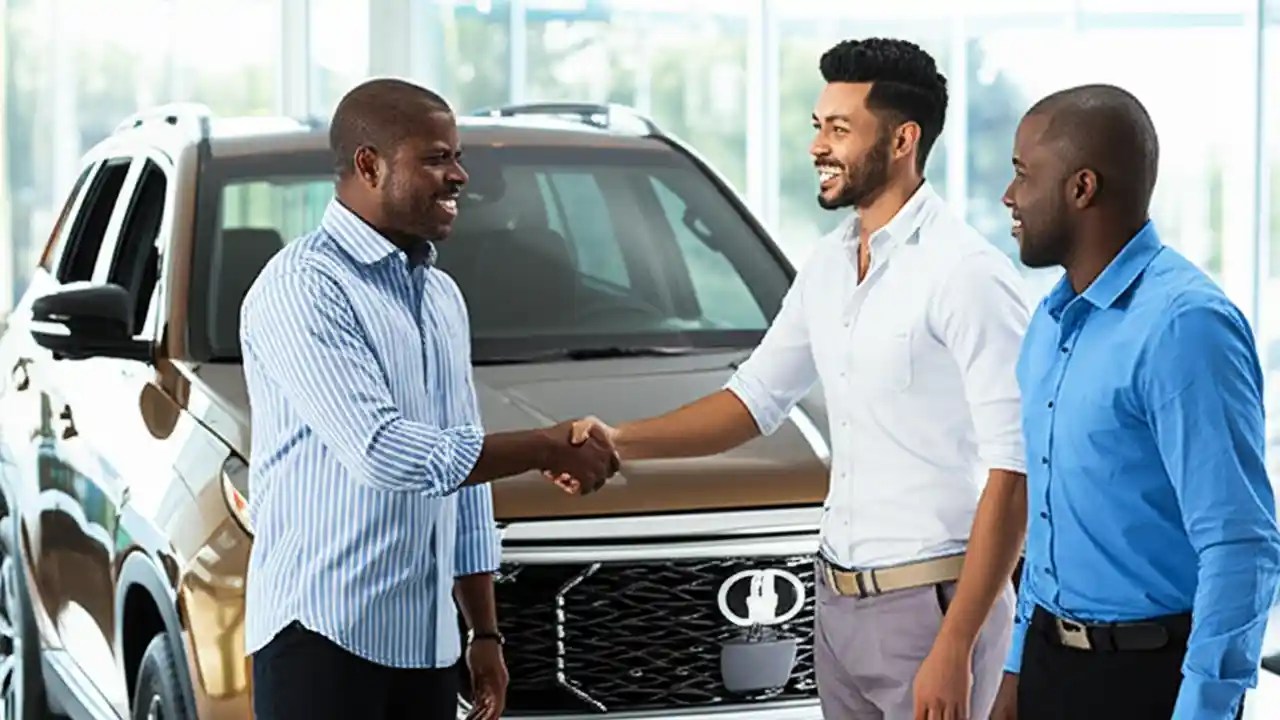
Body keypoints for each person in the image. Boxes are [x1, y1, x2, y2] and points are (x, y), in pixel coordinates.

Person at [552, 38, 1029, 720]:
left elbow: (1014, 473)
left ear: (902, 140)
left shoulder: (967, 275)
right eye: (817, 127)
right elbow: (752, 401)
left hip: (934, 609)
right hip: (835, 609)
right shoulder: (830, 265)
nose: (817, 147)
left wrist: (956, 644)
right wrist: (619, 441)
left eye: (839, 129)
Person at [238, 78, 618, 720]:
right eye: (437, 158)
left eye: (457, 156)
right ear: (369, 164)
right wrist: (544, 446)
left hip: (427, 646)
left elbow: (462, 480)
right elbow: (384, 453)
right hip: (322, 639)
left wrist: (485, 633)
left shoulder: (440, 297)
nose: (459, 176)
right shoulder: (304, 288)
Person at [988, 83, 1280, 720]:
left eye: (1022, 174)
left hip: (1149, 684)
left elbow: (1241, 544)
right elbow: (1047, 526)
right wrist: (1015, 672)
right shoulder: (1050, 324)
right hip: (1049, 667)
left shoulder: (1185, 326)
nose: (1009, 197)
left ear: (1081, 188)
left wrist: (1204, 709)